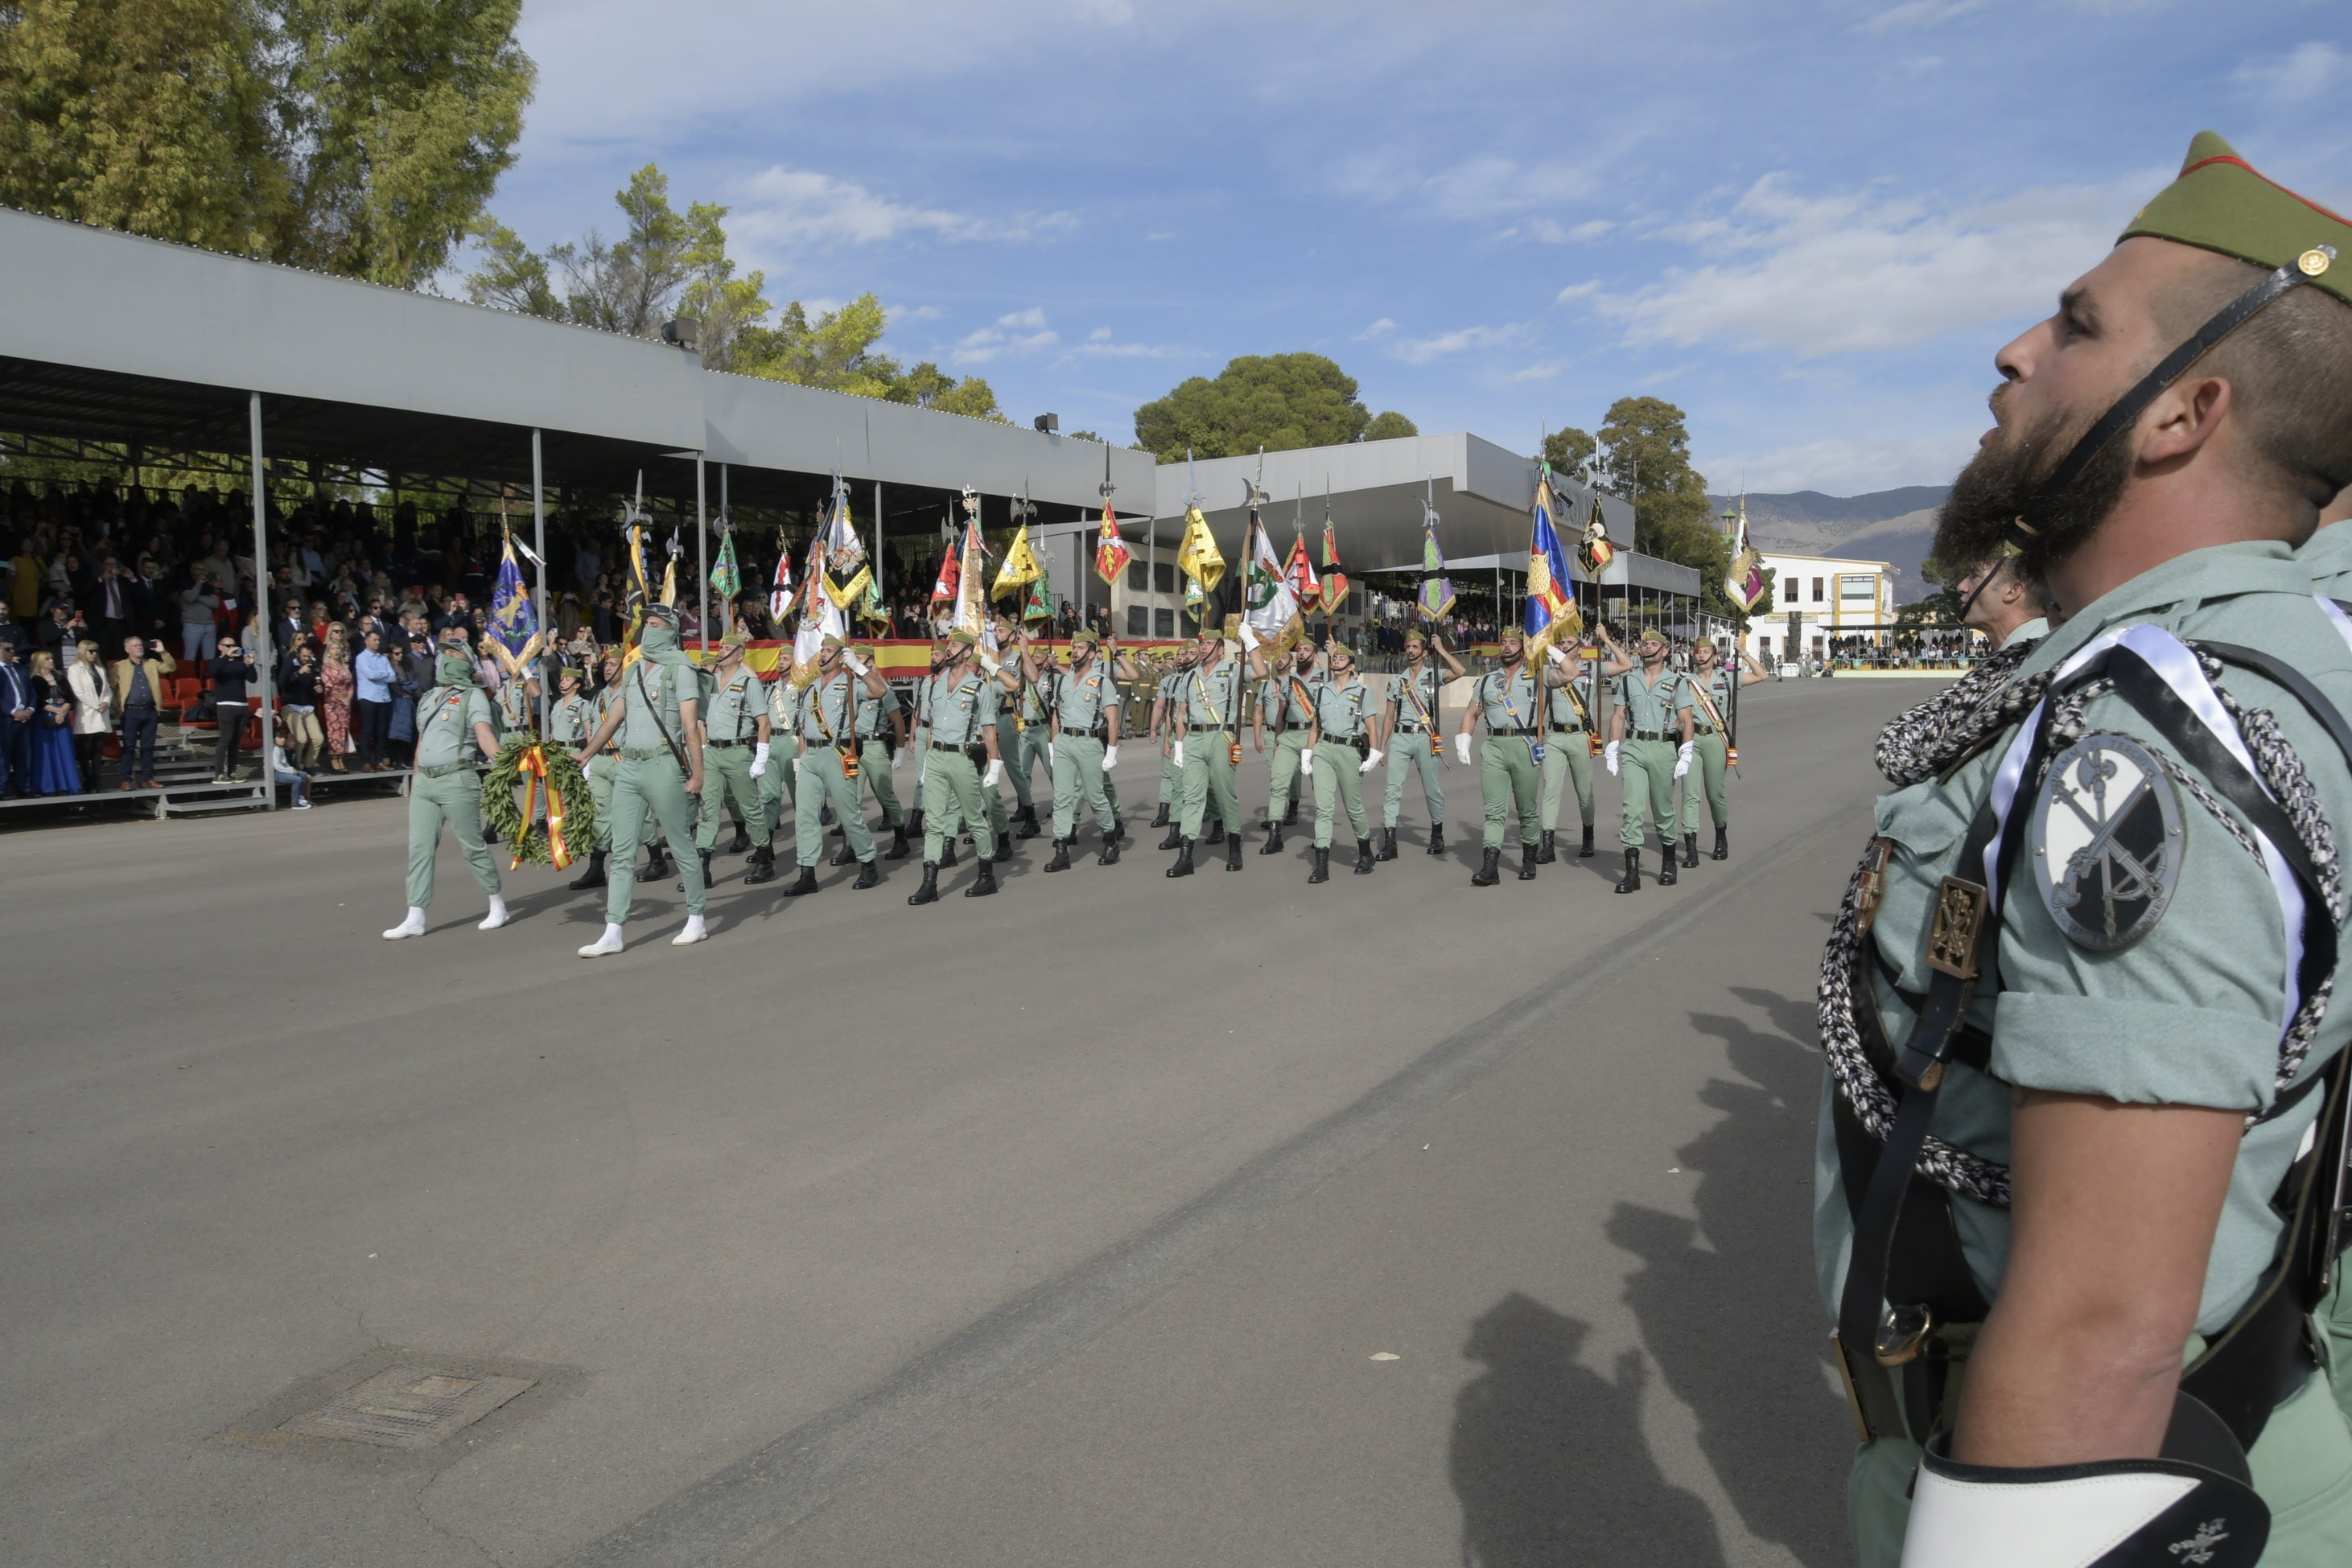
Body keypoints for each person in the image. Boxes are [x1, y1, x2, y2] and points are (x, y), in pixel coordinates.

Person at [1820, 131, 2352, 1566]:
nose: (2010, 349)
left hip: (2089, 1485)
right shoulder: (2290, 644)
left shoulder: (2152, 737)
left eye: (2072, 322)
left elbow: (2098, 1334)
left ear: (2183, 411)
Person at [570, 607, 706, 953]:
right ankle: (613, 929)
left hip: (663, 764)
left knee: (680, 844)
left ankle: (696, 917)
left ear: (670, 629)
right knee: (622, 850)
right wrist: (586, 753)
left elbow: (690, 726)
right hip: (628, 766)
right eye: (646, 624)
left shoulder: (680, 668)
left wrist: (698, 773)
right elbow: (615, 717)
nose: (648, 629)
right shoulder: (633, 670)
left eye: (656, 624)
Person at [382, 632, 505, 939]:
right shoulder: (429, 697)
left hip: (457, 779)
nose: (447, 657)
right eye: (444, 653)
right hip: (426, 781)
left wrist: (508, 761)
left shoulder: (473, 696)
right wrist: (415, 783)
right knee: (419, 850)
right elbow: (421, 743)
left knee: (473, 846)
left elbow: (484, 735)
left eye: (455, 653)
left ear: (467, 662)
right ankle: (415, 915)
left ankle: (496, 904)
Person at [1452, 627, 1574, 887]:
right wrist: (1464, 739)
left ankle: (1529, 860)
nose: (1506, 647)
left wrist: (1547, 649)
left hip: (1525, 743)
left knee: (1526, 809)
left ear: (1523, 648)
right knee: (1494, 810)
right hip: (1495, 745)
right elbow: (1471, 713)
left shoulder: (1538, 675)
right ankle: (1490, 866)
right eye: (1503, 642)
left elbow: (1570, 673)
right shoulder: (1487, 680)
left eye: (1512, 642)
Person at [777, 634, 889, 898]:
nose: (823, 655)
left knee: (849, 814)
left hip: (837, 753)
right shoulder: (810, 687)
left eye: (828, 651)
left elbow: (879, 691)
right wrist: (799, 760)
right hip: (811, 756)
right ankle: (807, 873)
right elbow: (804, 728)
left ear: (841, 657)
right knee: (805, 816)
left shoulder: (851, 683)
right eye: (821, 650)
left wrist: (859, 668)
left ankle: (867, 863)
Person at [907, 627, 1004, 904]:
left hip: (963, 758)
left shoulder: (979, 688)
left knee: (974, 819)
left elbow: (988, 730)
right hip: (936, 756)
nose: (948, 650)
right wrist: (926, 763)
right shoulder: (936, 685)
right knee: (935, 822)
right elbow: (932, 725)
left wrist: (994, 766)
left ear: (967, 652)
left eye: (953, 647)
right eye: (947, 646)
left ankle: (987, 875)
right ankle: (930, 883)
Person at [1602, 628, 1692, 893]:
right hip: (1635, 747)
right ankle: (1632, 873)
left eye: (1654, 644)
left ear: (1665, 651)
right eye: (1644, 644)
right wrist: (1613, 747)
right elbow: (1619, 716)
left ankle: (1668, 862)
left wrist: (1686, 751)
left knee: (1663, 810)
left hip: (1664, 748)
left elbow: (1686, 719)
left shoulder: (1677, 682)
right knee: (1632, 810)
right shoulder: (1629, 681)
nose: (1647, 647)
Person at [692, 627, 777, 887]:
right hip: (713, 753)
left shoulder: (749, 683)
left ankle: (764, 859)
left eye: (728, 649)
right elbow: (701, 720)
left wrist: (761, 757)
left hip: (739, 752)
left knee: (750, 809)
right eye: (721, 648)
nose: (722, 651)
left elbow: (764, 723)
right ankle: (703, 868)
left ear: (740, 655)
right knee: (708, 810)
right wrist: (703, 750)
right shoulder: (710, 682)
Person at [1673, 640, 1768, 864]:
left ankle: (1720, 836)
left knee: (1715, 794)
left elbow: (1761, 675)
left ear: (1715, 656)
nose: (1701, 656)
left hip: (1716, 740)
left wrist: (1743, 653)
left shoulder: (1726, 678)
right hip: (1691, 739)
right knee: (1690, 794)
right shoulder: (1685, 682)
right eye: (1697, 652)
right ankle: (1691, 848)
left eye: (1706, 652)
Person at [1042, 626, 1122, 870]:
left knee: (1096, 797)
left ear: (1091, 653)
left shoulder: (1101, 682)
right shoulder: (1063, 680)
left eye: (1079, 648)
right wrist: (1053, 747)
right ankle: (1062, 848)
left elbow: (1113, 719)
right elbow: (1056, 715)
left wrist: (1111, 752)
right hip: (1065, 741)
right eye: (1073, 648)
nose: (1074, 652)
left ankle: (1110, 839)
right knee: (1062, 797)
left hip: (1089, 742)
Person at [1380, 629, 1464, 859]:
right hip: (1401, 737)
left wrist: (1441, 649)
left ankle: (1437, 834)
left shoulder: (1433, 675)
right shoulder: (1397, 681)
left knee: (1432, 789)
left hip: (1425, 738)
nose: (1410, 650)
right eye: (1408, 646)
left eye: (1415, 647)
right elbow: (1388, 716)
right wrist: (1382, 747)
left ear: (1424, 652)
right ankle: (1390, 842)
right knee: (1392, 790)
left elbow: (1460, 671)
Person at [1168, 628, 1246, 877]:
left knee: (1225, 795)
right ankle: (1186, 857)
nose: (1203, 648)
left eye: (1209, 643)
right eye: (1202, 644)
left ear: (1221, 649)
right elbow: (1181, 713)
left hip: (1220, 737)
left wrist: (1251, 642)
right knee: (1192, 797)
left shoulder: (1234, 671)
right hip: (1193, 738)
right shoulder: (1189, 677)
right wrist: (1179, 744)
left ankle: (1235, 847)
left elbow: (1260, 671)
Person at [1301, 638, 1381, 883]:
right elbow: (1316, 726)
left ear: (1351, 666)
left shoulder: (1363, 692)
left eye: (1341, 659)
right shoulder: (1323, 690)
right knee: (1324, 808)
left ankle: (1366, 852)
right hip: (1324, 749)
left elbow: (1371, 725)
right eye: (1335, 658)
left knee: (1353, 807)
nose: (1336, 661)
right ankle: (1322, 865)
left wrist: (1374, 753)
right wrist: (1308, 753)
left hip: (1349, 751)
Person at [842, 642, 912, 864]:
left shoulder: (883, 689)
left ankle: (901, 838)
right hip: (855, 746)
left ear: (870, 662)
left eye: (860, 659)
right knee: (851, 796)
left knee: (885, 795)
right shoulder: (853, 686)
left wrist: (900, 752)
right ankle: (850, 845)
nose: (856, 663)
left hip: (875, 746)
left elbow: (898, 723)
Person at [1534, 639, 1599, 863]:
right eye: (1561, 642)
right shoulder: (1549, 671)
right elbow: (1541, 706)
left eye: (1570, 642)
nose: (1564, 646)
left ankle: (1588, 836)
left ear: (1581, 648)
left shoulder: (1592, 668)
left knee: (1584, 793)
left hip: (1581, 736)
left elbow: (1626, 664)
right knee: (1550, 789)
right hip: (1555, 736)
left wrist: (1606, 638)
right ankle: (1548, 845)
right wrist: (1537, 736)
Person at [1249, 643, 1316, 853]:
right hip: (1282, 735)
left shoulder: (1303, 680)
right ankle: (1275, 833)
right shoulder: (1268, 685)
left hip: (1311, 735)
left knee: (1316, 784)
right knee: (1277, 781)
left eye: (1284, 657)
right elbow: (1262, 712)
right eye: (1277, 658)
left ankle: (1313, 826)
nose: (1280, 660)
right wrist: (1262, 738)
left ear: (1291, 661)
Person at [995, 623, 1051, 842]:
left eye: (1001, 630)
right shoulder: (990, 655)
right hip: (988, 718)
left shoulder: (1017, 659)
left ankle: (1031, 818)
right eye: (995, 630)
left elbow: (1033, 677)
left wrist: (1025, 651)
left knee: (1016, 772)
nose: (996, 633)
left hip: (1008, 718)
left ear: (1012, 635)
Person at [109, 635, 172, 790]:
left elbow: (170, 667)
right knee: (129, 747)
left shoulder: (151, 663)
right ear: (127, 649)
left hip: (150, 711)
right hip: (130, 712)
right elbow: (110, 687)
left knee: (148, 747)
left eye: (140, 645)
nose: (139, 647)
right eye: (135, 645)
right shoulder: (119, 666)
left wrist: (163, 652)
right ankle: (126, 779)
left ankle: (148, 778)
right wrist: (117, 707)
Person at [1151, 644, 1197, 847]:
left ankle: (1217, 822)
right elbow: (1168, 710)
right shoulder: (1170, 681)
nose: (1182, 658)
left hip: (1198, 735)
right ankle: (1173, 826)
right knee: (1174, 780)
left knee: (1207, 785)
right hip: (1177, 734)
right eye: (1180, 654)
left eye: (1187, 654)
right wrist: (1164, 736)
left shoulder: (1200, 678)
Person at [24, 649, 81, 794]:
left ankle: (66, 784)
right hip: (45, 718)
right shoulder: (35, 680)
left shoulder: (60, 677)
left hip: (62, 715)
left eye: (51, 658)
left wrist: (63, 710)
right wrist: (56, 711)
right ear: (39, 662)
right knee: (47, 753)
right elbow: (37, 702)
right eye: (47, 659)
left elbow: (70, 697)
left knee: (64, 752)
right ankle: (48, 786)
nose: (51, 661)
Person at [206, 632, 256, 783]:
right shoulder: (218, 662)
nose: (232, 648)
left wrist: (251, 663)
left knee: (235, 742)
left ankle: (232, 772)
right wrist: (227, 656)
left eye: (234, 645)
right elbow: (213, 672)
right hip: (226, 706)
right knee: (225, 740)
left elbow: (253, 679)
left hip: (241, 706)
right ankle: (219, 773)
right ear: (220, 647)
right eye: (228, 646)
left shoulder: (239, 664)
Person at [65, 639, 110, 790]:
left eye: (96, 651)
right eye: (91, 651)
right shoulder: (75, 669)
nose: (94, 654)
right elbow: (79, 692)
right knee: (85, 750)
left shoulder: (100, 669)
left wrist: (105, 702)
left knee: (98, 750)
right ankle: (87, 780)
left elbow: (107, 690)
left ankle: (96, 781)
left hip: (101, 713)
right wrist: (97, 705)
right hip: (86, 714)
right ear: (83, 652)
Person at [352, 628, 394, 770]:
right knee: (368, 729)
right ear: (367, 641)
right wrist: (384, 674)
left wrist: (379, 674)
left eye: (378, 640)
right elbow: (370, 675)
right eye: (375, 640)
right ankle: (365, 762)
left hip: (383, 697)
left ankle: (380, 760)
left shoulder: (383, 658)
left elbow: (393, 676)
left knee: (382, 731)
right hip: (368, 697)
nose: (378, 642)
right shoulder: (361, 657)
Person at [318, 633, 353, 772]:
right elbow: (328, 685)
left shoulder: (344, 666)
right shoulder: (326, 667)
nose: (336, 651)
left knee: (344, 729)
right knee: (334, 730)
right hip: (332, 702)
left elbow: (351, 684)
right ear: (329, 651)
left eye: (338, 649)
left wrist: (348, 698)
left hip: (345, 703)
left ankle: (341, 758)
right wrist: (341, 698)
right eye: (333, 649)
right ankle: (334, 758)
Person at [0, 637, 30, 797]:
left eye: (12, 649)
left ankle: (24, 787)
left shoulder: (21, 669)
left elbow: (31, 692)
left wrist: (30, 709)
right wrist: (13, 711)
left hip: (24, 718)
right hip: (5, 720)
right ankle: (2, 789)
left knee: (23, 755)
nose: (12, 652)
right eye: (7, 649)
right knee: (3, 756)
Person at [267, 718, 312, 810]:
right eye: (280, 738)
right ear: (274, 739)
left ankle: (300, 797)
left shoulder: (281, 748)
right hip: (276, 773)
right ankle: (295, 802)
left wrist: (291, 769)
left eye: (284, 737)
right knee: (297, 780)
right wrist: (290, 771)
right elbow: (277, 766)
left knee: (303, 775)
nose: (283, 740)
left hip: (283, 770)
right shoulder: (275, 749)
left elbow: (285, 763)